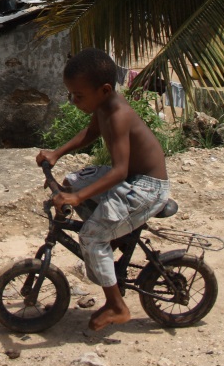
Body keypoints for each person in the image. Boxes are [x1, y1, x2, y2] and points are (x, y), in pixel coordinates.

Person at [36, 48, 170, 331]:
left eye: (79, 96)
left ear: (105, 89)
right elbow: (91, 133)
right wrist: (56, 154)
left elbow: (119, 171)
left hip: (146, 188)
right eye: (71, 94)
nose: (73, 101)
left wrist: (77, 198)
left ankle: (117, 305)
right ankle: (115, 237)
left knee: (91, 235)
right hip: (131, 179)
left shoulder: (119, 114)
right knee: (73, 180)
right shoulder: (102, 106)